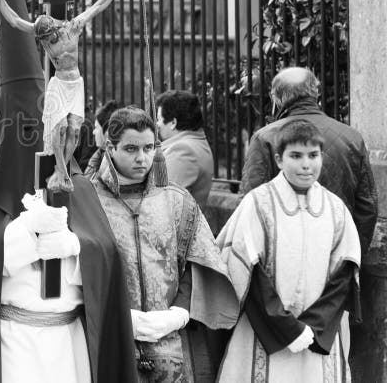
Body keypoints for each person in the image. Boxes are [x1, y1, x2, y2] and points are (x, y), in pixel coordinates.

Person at [0, 0, 138, 383]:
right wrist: (22, 239)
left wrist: (72, 246)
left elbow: (105, 259)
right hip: (13, 346)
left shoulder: (76, 185)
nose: (34, 141)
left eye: (40, 129)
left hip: (69, 347)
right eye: (24, 128)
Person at [91, 106, 237, 382]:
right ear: (110, 148)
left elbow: (200, 260)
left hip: (170, 343)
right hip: (109, 337)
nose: (142, 158)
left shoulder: (177, 200)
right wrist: (117, 314)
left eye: (149, 148)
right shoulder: (87, 200)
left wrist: (179, 312)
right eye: (131, 149)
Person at [216, 119, 361, 382]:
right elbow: (246, 271)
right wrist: (285, 327)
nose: (306, 164)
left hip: (320, 334)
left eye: (313, 155)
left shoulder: (336, 209)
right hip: (266, 332)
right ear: (279, 159)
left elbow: (344, 274)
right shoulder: (257, 204)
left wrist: (315, 326)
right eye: (296, 155)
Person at [0, 0, 135, 193]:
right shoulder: (41, 36)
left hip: (76, 83)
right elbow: (15, 21)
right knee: (59, 127)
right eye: (43, 40)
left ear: (56, 29)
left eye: (50, 38)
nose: (47, 43)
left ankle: (61, 172)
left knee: (74, 130)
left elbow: (99, 5)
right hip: (59, 83)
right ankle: (62, 172)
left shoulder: (72, 28)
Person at [240, 67, 378, 253]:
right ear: (316, 93)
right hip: (338, 250)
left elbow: (251, 207)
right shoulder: (352, 137)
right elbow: (367, 207)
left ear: (276, 98)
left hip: (284, 257)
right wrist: (351, 256)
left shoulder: (265, 137)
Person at [156, 90, 214, 209]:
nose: (157, 124)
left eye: (159, 119)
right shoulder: (196, 143)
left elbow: (163, 204)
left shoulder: (183, 151)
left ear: (173, 122)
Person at [83, 98, 122, 179]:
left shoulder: (116, 166)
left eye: (96, 128)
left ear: (108, 132)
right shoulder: (99, 155)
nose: (93, 132)